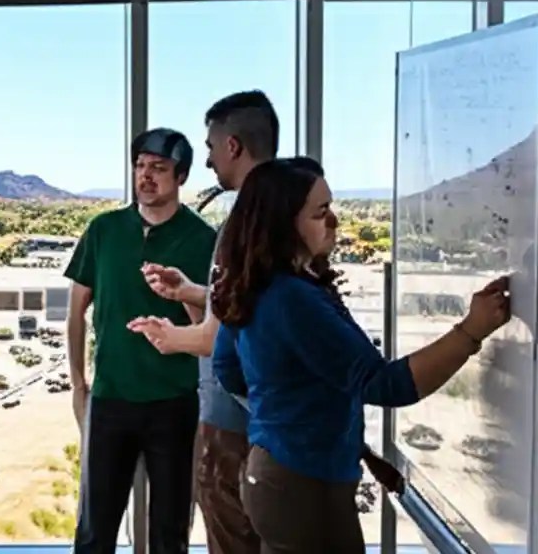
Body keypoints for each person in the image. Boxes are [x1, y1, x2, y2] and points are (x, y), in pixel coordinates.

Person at [209, 159, 510, 553]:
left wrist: (290, 406)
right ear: (284, 224)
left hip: (278, 474)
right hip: (303, 488)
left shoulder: (262, 283)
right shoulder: (294, 299)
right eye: (321, 212)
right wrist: (470, 331)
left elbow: (228, 368)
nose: (334, 220)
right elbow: (386, 384)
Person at [127, 90, 277, 554]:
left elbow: (217, 337)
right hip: (265, 421)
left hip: (234, 423)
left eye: (211, 147)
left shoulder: (244, 224)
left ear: (233, 146)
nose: (210, 161)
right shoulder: (276, 211)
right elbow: (252, 307)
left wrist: (167, 337)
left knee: (231, 540)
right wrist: (190, 292)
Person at [65, 127, 217, 554]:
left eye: (159, 168)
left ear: (181, 176)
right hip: (110, 398)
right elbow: (76, 312)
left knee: (170, 533)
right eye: (140, 167)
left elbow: (209, 326)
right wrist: (79, 386)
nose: (145, 176)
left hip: (174, 402)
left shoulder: (203, 239)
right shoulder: (104, 230)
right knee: (94, 530)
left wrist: (182, 292)